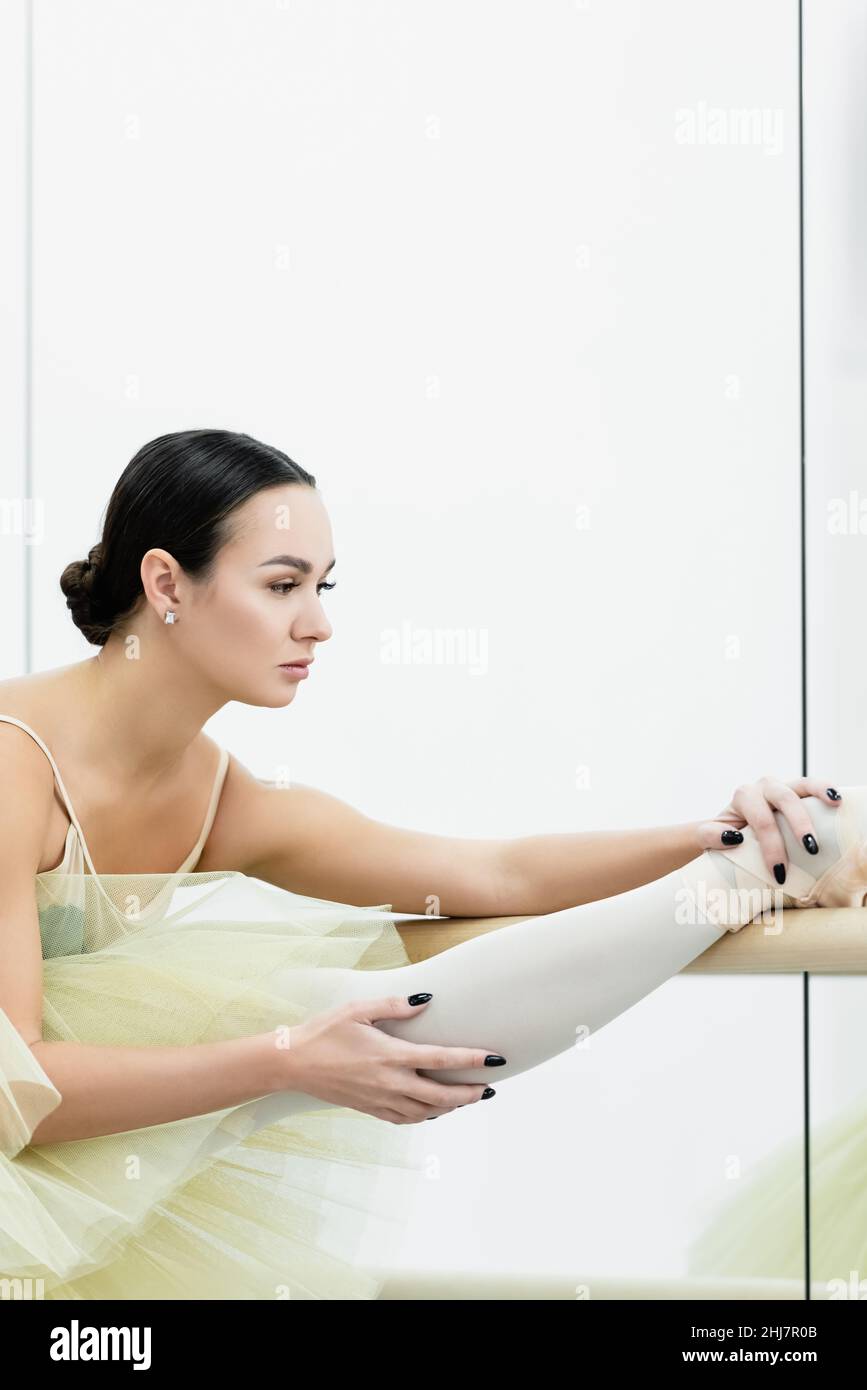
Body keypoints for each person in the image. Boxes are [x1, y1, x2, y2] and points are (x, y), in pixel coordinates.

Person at [0, 429, 860, 1301]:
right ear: (165, 584)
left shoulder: (214, 793)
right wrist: (284, 1060)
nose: (319, 623)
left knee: (346, 1018)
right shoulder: (11, 765)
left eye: (321, 587)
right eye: (283, 585)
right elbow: (20, 1091)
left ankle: (755, 870)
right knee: (315, 1019)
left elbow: (495, 876)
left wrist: (712, 835)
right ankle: (757, 876)